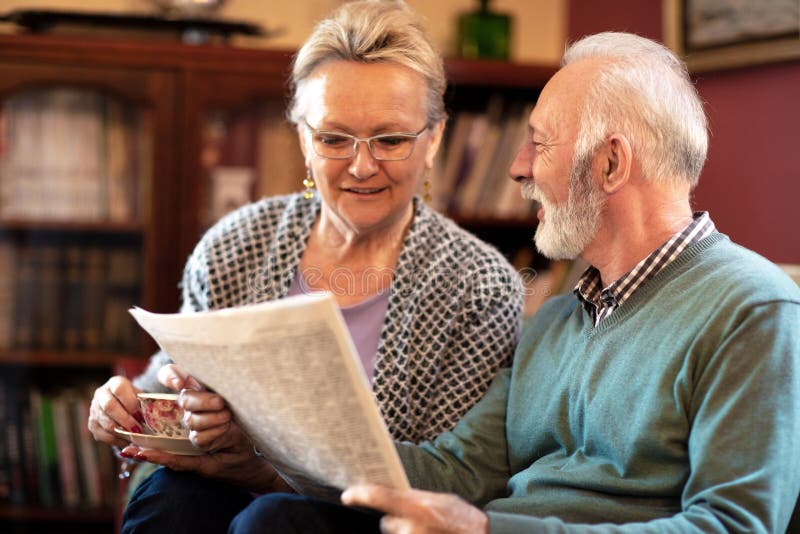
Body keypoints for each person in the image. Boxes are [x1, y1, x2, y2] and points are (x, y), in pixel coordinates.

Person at [222, 31, 800, 532]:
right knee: (273, 521)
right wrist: (261, 426)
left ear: (610, 165)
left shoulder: (753, 309)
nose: (517, 166)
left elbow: (733, 525)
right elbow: (455, 471)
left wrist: (488, 529)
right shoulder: (555, 319)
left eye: (539, 142)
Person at [88, 0, 524, 530]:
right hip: (223, 496)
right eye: (334, 138)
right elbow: (169, 385)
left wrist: (264, 469)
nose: (362, 166)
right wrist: (129, 410)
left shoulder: (479, 286)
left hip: (371, 518)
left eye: (390, 139)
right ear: (302, 139)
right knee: (172, 498)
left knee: (270, 520)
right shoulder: (236, 244)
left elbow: (450, 479)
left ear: (432, 140)